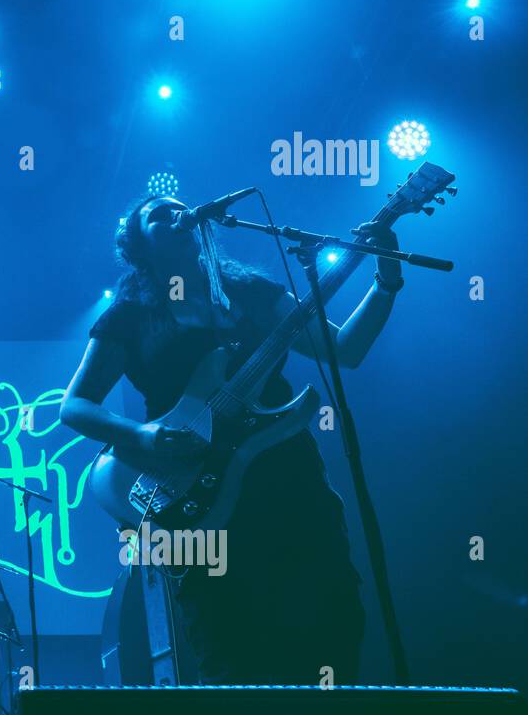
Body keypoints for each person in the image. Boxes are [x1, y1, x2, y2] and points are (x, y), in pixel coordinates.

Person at [60, 194, 404, 684]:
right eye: (158, 214)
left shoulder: (253, 293)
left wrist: (386, 280)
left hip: (285, 476)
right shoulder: (129, 315)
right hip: (194, 488)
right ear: (140, 244)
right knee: (231, 638)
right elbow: (73, 405)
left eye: (181, 206)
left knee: (333, 613)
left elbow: (345, 349)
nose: (176, 213)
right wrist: (143, 434)